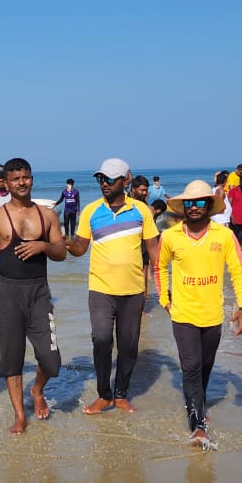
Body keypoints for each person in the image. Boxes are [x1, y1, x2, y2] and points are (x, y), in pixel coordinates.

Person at [0, 157, 66, 434]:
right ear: (7, 183)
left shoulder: (46, 215)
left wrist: (43, 246)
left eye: (25, 177)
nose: (21, 182)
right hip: (9, 292)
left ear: (31, 179)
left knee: (51, 360)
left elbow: (61, 252)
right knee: (12, 358)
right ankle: (19, 414)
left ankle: (37, 390)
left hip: (39, 292)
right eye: (16, 179)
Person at [155, 180, 242, 447]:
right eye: (189, 203)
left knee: (205, 366)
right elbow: (159, 267)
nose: (194, 207)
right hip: (182, 314)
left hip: (212, 315)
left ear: (209, 205)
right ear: (183, 206)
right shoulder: (171, 236)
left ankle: (199, 402)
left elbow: (238, 271)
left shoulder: (224, 236)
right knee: (191, 366)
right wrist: (164, 300)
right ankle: (197, 424)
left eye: (199, 202)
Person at [68, 158, 159, 415]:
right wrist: (66, 242)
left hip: (132, 291)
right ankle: (103, 395)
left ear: (124, 181)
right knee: (101, 338)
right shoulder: (91, 211)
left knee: (129, 345)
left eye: (109, 179)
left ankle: (120, 395)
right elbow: (80, 248)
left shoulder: (141, 211)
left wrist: (165, 285)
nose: (104, 184)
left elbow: (154, 249)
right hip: (101, 289)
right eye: (100, 179)